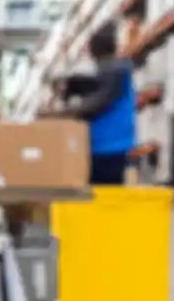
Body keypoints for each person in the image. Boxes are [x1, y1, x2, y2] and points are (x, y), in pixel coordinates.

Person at [40, 28, 136, 184]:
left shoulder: (114, 70)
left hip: (109, 145)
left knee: (102, 193)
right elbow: (92, 86)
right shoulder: (111, 70)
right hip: (105, 144)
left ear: (94, 49)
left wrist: (63, 113)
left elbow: (98, 101)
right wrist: (69, 84)